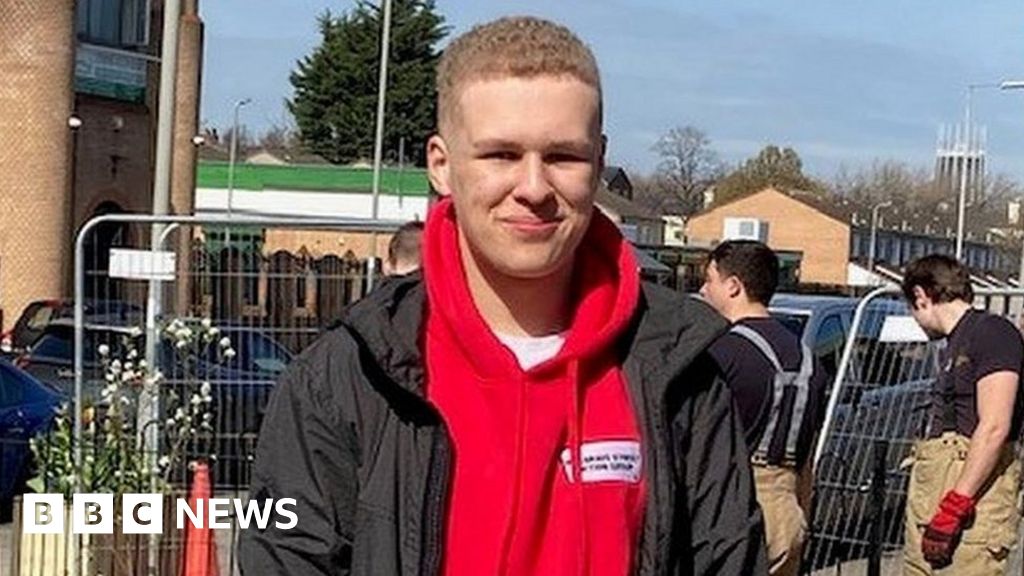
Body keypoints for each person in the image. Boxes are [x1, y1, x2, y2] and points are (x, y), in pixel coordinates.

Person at [240, 16, 765, 576]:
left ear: (599, 160)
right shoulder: (345, 376)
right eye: (501, 155)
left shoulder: (678, 373)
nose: (534, 188)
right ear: (441, 165)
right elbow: (284, 558)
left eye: (563, 156)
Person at [699, 240, 827, 576]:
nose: (703, 289)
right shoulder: (810, 360)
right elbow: (808, 456)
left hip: (733, 505)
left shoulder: (719, 353)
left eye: (709, 280)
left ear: (733, 286)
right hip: (786, 507)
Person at [900, 254, 1023, 575]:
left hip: (971, 509)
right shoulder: (956, 342)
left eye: (911, 309)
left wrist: (956, 506)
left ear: (921, 296)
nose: (915, 320)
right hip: (935, 498)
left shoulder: (993, 333)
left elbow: (995, 425)